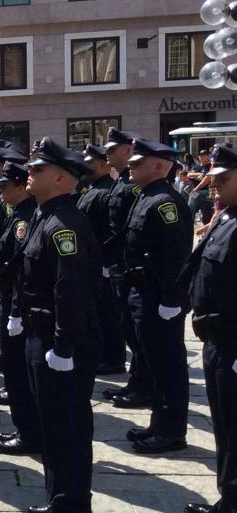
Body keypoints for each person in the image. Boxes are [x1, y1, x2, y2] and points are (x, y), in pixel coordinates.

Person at [13, 138, 102, 513]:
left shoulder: (65, 224)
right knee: (52, 426)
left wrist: (64, 346)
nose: (29, 173)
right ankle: (59, 499)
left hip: (58, 341)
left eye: (38, 169)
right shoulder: (44, 216)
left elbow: (72, 290)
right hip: (41, 334)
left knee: (66, 427)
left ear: (62, 178)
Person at [123, 138, 194, 454]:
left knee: (168, 366)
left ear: (158, 166)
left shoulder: (166, 202)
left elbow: (175, 256)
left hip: (158, 297)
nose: (130, 166)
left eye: (137, 163)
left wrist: (170, 299)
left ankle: (170, 432)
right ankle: (159, 424)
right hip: (143, 291)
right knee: (154, 362)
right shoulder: (147, 196)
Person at [182, 145, 237, 513]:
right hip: (216, 339)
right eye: (212, 180)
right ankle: (227, 498)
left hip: (234, 343)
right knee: (224, 427)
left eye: (223, 180)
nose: (212, 187)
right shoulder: (226, 219)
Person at [0, 161, 39, 455]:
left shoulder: (24, 219)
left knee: (19, 373)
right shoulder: (19, 214)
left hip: (16, 303)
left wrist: (16, 310)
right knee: (15, 369)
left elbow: (20, 267)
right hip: (9, 300)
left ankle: (29, 433)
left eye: (6, 186)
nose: (1, 191)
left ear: (20, 186)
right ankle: (26, 428)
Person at [102, 128, 149, 407]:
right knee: (129, 328)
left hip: (130, 268)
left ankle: (143, 386)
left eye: (112, 150)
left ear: (128, 150)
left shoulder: (132, 187)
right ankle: (137, 382)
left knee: (138, 335)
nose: (108, 155)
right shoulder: (121, 182)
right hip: (119, 266)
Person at [76, 144, 127, 378]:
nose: (86, 166)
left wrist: (106, 264)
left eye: (91, 162)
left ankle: (113, 358)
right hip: (90, 262)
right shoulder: (91, 188)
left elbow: (109, 231)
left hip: (102, 263)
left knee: (107, 313)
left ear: (104, 164)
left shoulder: (107, 191)